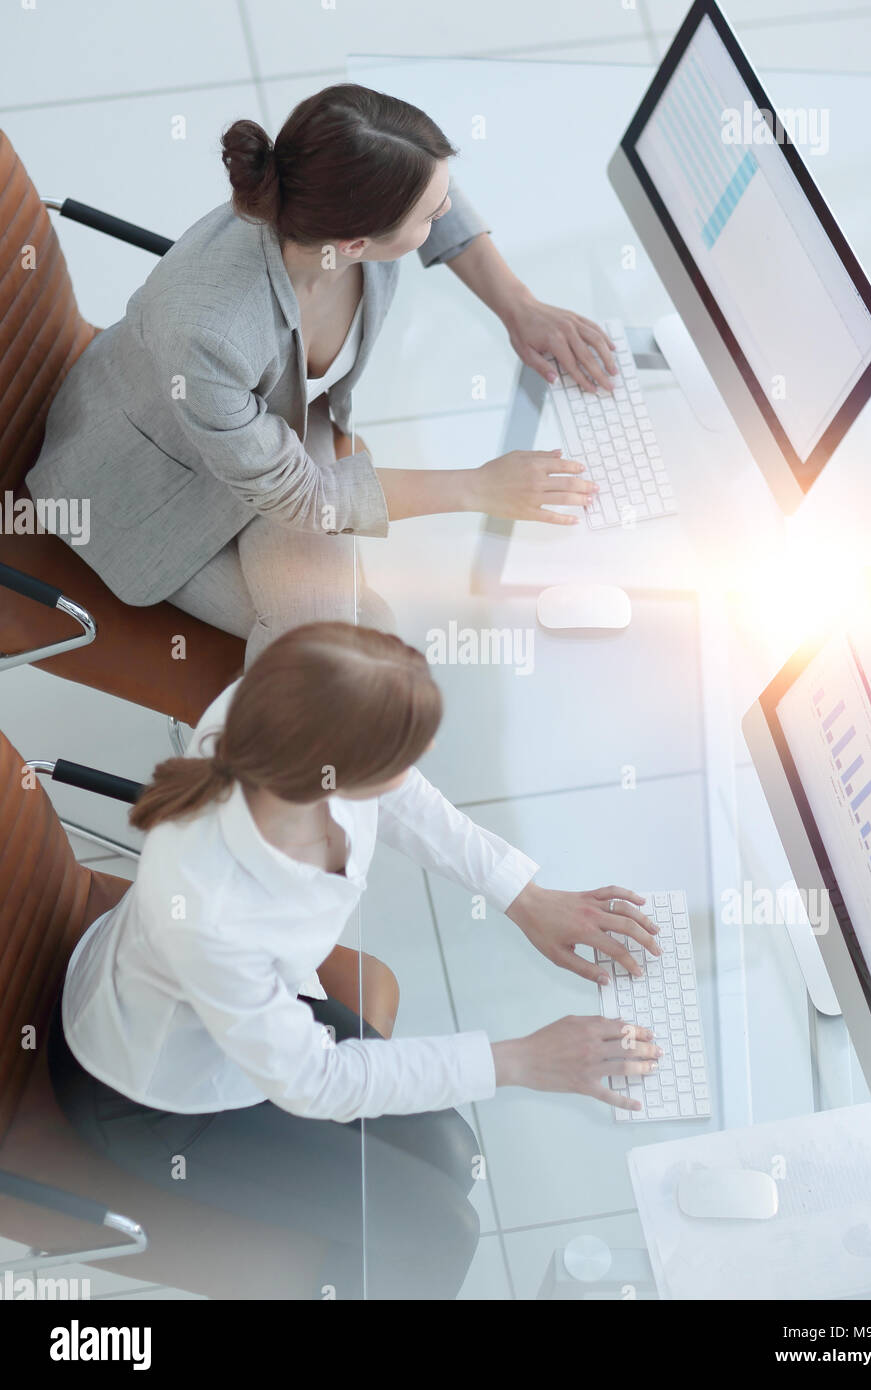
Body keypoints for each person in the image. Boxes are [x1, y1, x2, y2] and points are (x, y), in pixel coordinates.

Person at [47, 621, 663, 1300]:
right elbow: (317, 1081)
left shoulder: (278, 725)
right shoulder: (217, 912)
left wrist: (521, 893)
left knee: (453, 1155)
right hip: (154, 1098)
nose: (418, 762)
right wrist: (522, 1060)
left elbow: (397, 793)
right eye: (403, 753)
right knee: (439, 1228)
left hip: (237, 1020)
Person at [26, 83, 619, 667]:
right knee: (352, 652)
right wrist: (478, 487)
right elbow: (302, 494)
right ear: (357, 242)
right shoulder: (208, 332)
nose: (444, 215)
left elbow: (437, 194)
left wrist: (519, 306)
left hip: (279, 438)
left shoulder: (332, 203)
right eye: (429, 217)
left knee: (362, 648)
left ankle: (300, 748)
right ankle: (254, 759)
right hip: (156, 490)